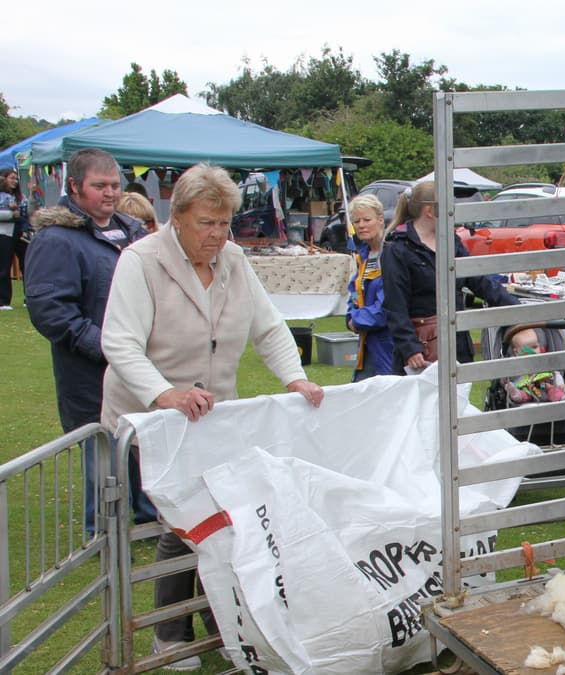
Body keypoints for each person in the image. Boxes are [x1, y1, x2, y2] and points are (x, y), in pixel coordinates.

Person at [99, 163, 324, 670]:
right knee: (181, 520)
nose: (217, 235)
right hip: (149, 420)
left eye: (224, 224)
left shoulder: (234, 260)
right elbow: (118, 342)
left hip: (211, 415)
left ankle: (213, 623)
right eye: (206, 223)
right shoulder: (141, 261)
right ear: (175, 216)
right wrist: (164, 393)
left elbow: (268, 327)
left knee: (217, 519)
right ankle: (172, 635)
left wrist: (296, 378)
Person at [24, 149, 157, 537]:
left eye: (115, 185)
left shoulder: (131, 231)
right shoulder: (56, 240)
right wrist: (109, 348)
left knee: (140, 443)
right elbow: (51, 312)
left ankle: (146, 516)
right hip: (89, 371)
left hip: (136, 363)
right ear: (75, 187)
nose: (110, 193)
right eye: (99, 186)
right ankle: (102, 531)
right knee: (101, 449)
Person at [380, 180, 520, 371]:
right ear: (430, 211)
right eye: (448, 206)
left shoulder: (451, 242)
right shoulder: (397, 249)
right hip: (420, 351)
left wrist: (517, 308)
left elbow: (479, 280)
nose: (453, 211)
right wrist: (410, 348)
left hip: (458, 344)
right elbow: (395, 305)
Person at [345, 194, 393, 380]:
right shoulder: (362, 256)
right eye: (357, 221)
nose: (361, 225)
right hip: (366, 346)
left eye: (367, 219)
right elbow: (354, 294)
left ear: (380, 219)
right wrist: (351, 315)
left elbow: (387, 305)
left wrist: (355, 321)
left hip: (388, 345)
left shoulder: (391, 253)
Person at [503, 328, 565, 404]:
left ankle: (562, 397)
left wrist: (560, 382)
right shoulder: (514, 363)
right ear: (516, 351)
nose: (533, 351)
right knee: (524, 393)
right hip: (526, 388)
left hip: (544, 386)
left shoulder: (543, 361)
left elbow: (555, 372)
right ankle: (516, 395)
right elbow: (508, 376)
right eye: (527, 348)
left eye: (535, 347)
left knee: (553, 390)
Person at [0, 167, 26, 310]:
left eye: (16, 179)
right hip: (5, 233)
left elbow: (26, 213)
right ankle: (3, 300)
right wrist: (12, 214)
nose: (15, 182)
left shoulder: (20, 197)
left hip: (20, 232)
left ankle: (29, 298)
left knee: (27, 264)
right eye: (12, 178)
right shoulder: (2, 196)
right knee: (4, 266)